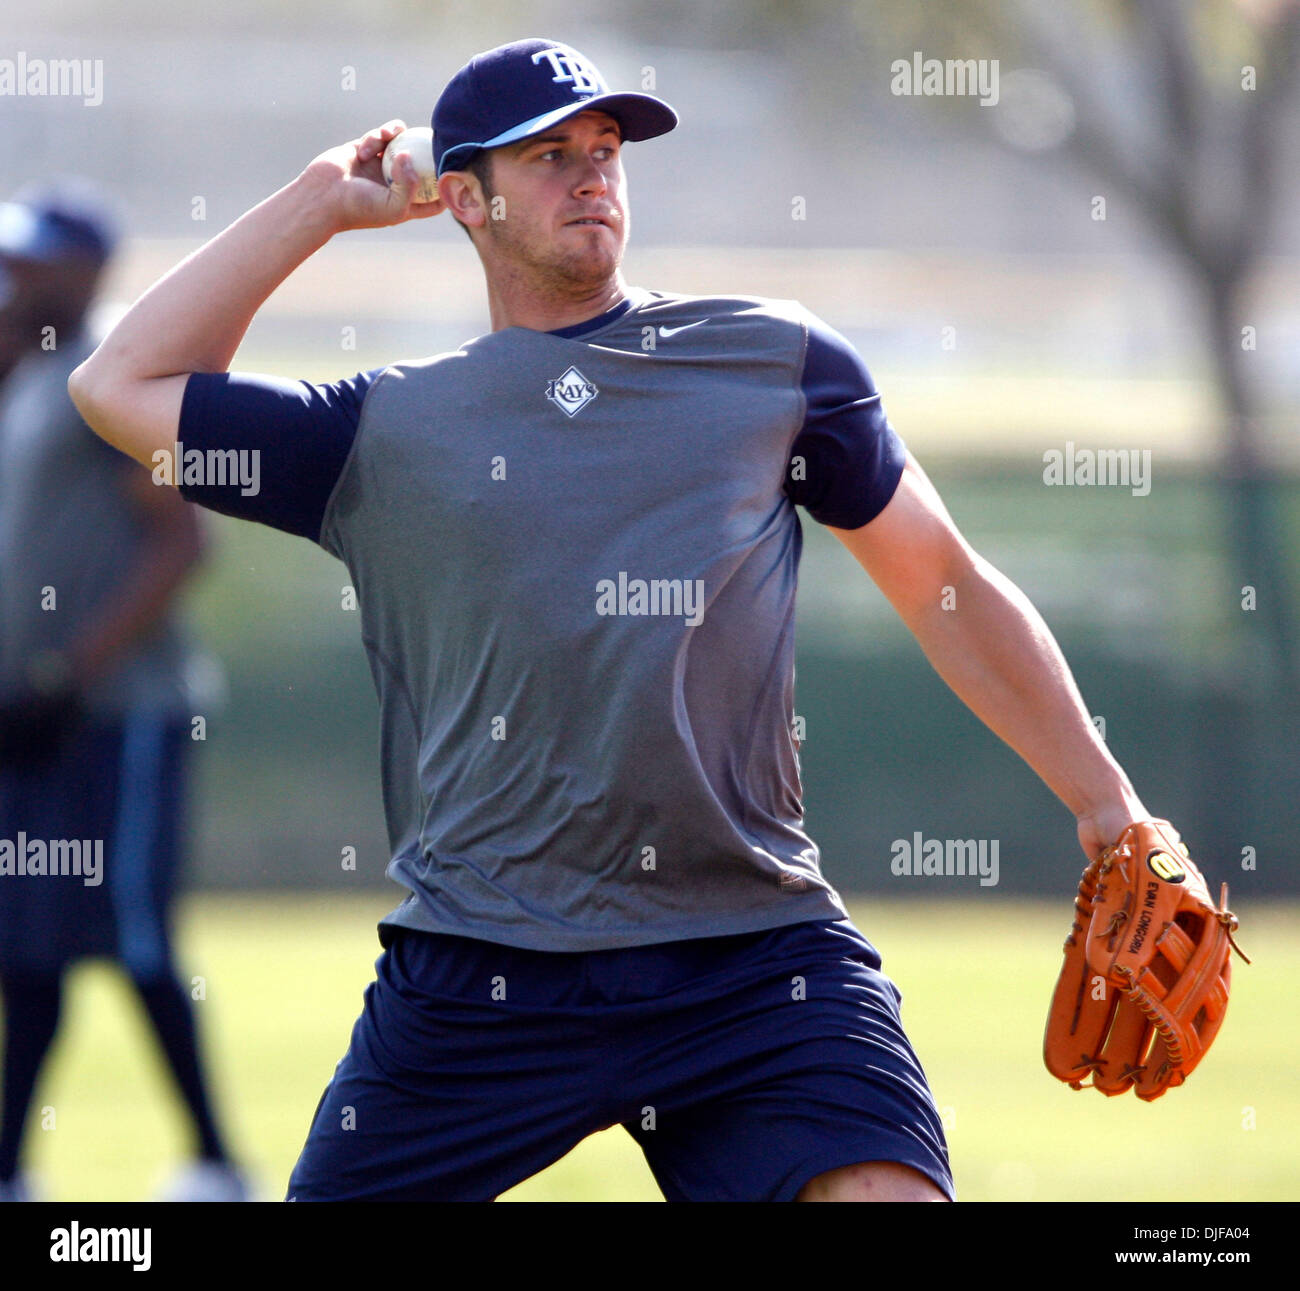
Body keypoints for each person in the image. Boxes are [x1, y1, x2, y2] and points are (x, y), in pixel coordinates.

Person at [68, 38, 1153, 1202]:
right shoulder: (378, 433)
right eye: (549, 156)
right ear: (463, 198)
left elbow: (945, 580)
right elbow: (117, 385)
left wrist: (1104, 799)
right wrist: (321, 205)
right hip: (483, 973)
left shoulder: (772, 362)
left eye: (605, 151)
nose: (593, 174)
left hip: (750, 957)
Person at [0, 182, 248, 1202]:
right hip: (36, 722)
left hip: (119, 715)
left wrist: (70, 671)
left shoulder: (105, 381)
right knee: (26, 943)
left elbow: (183, 539)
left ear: (83, 272)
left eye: (30, 264)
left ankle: (216, 1163)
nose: (11, 278)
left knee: (133, 936)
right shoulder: (27, 376)